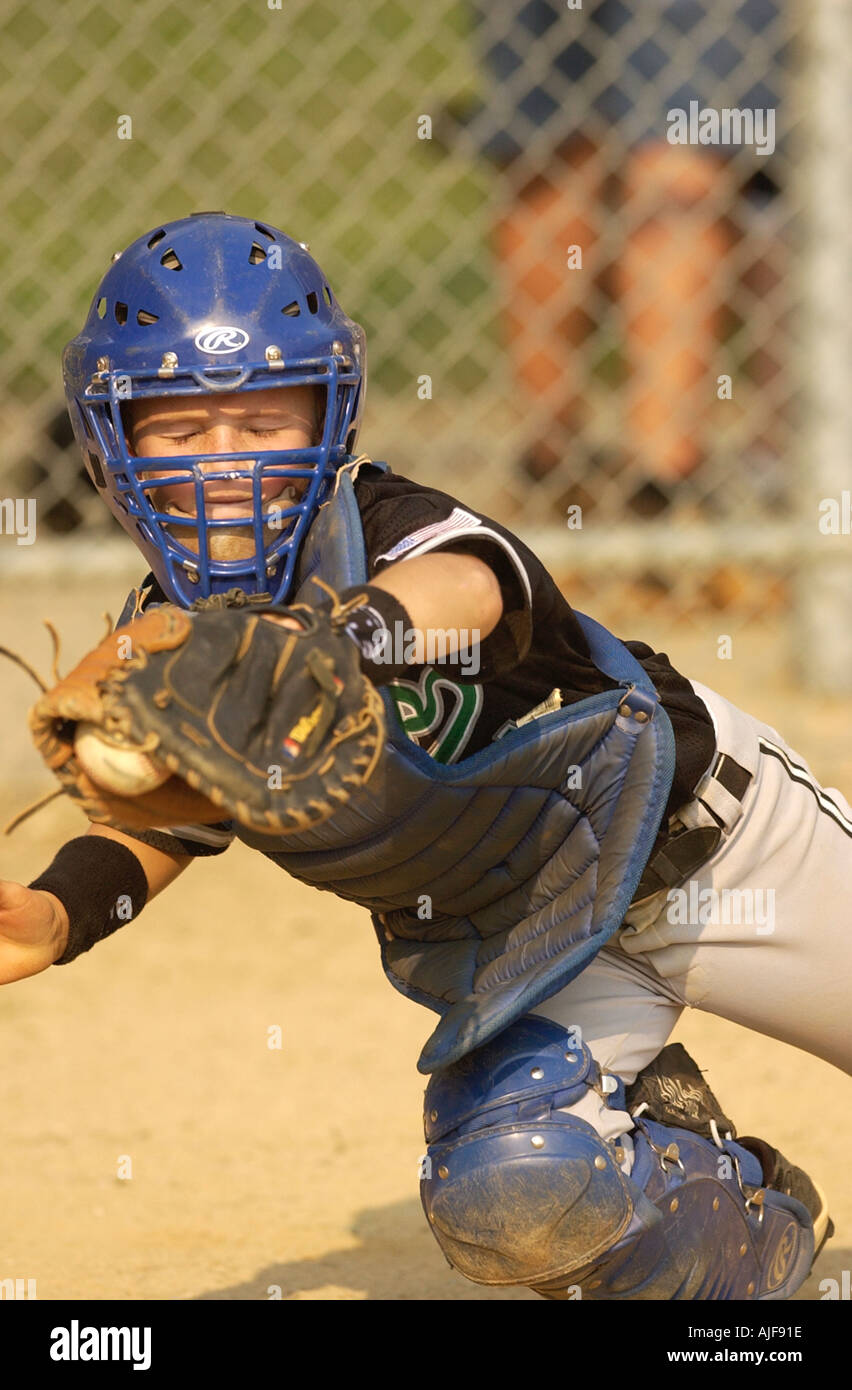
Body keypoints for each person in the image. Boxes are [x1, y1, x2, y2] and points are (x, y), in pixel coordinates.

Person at [2, 213, 846, 1300]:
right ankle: (756, 1232)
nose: (228, 463)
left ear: (331, 415)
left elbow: (475, 594)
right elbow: (170, 818)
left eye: (264, 416)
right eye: (182, 429)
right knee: (523, 1188)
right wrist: (64, 911)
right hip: (542, 955)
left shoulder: (395, 530)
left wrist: (337, 642)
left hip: (719, 855)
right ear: (108, 444)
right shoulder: (176, 647)